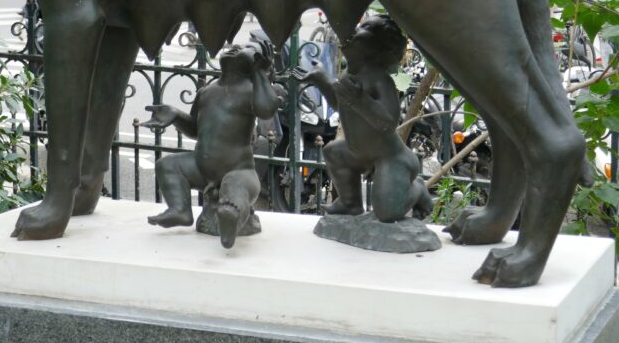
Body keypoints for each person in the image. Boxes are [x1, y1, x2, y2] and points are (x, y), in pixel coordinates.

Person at [143, 37, 281, 248]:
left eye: (244, 49)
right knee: (167, 165)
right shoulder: (206, 92)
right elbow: (195, 130)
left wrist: (260, 74)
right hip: (201, 168)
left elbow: (266, 110)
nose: (235, 48)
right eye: (234, 46)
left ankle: (231, 221)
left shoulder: (250, 90)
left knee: (234, 190)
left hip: (239, 171)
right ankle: (180, 210)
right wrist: (176, 115)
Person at [293, 14, 432, 223]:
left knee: (388, 213)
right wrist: (321, 79)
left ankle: (418, 189)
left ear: (375, 49)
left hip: (390, 157)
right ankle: (350, 203)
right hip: (358, 152)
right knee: (333, 151)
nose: (355, 32)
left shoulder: (380, 80)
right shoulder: (349, 75)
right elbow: (340, 104)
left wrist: (361, 101)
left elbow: (388, 123)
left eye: (364, 29)